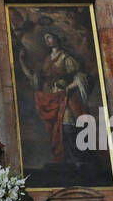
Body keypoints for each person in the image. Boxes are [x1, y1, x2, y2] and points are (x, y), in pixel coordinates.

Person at [33, 29, 89, 163]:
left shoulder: (65, 57)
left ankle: (76, 158)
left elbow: (81, 76)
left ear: (57, 39)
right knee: (55, 128)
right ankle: (63, 159)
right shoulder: (47, 59)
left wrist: (69, 87)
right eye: (45, 38)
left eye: (50, 37)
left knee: (67, 125)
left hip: (65, 97)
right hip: (52, 97)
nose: (47, 40)